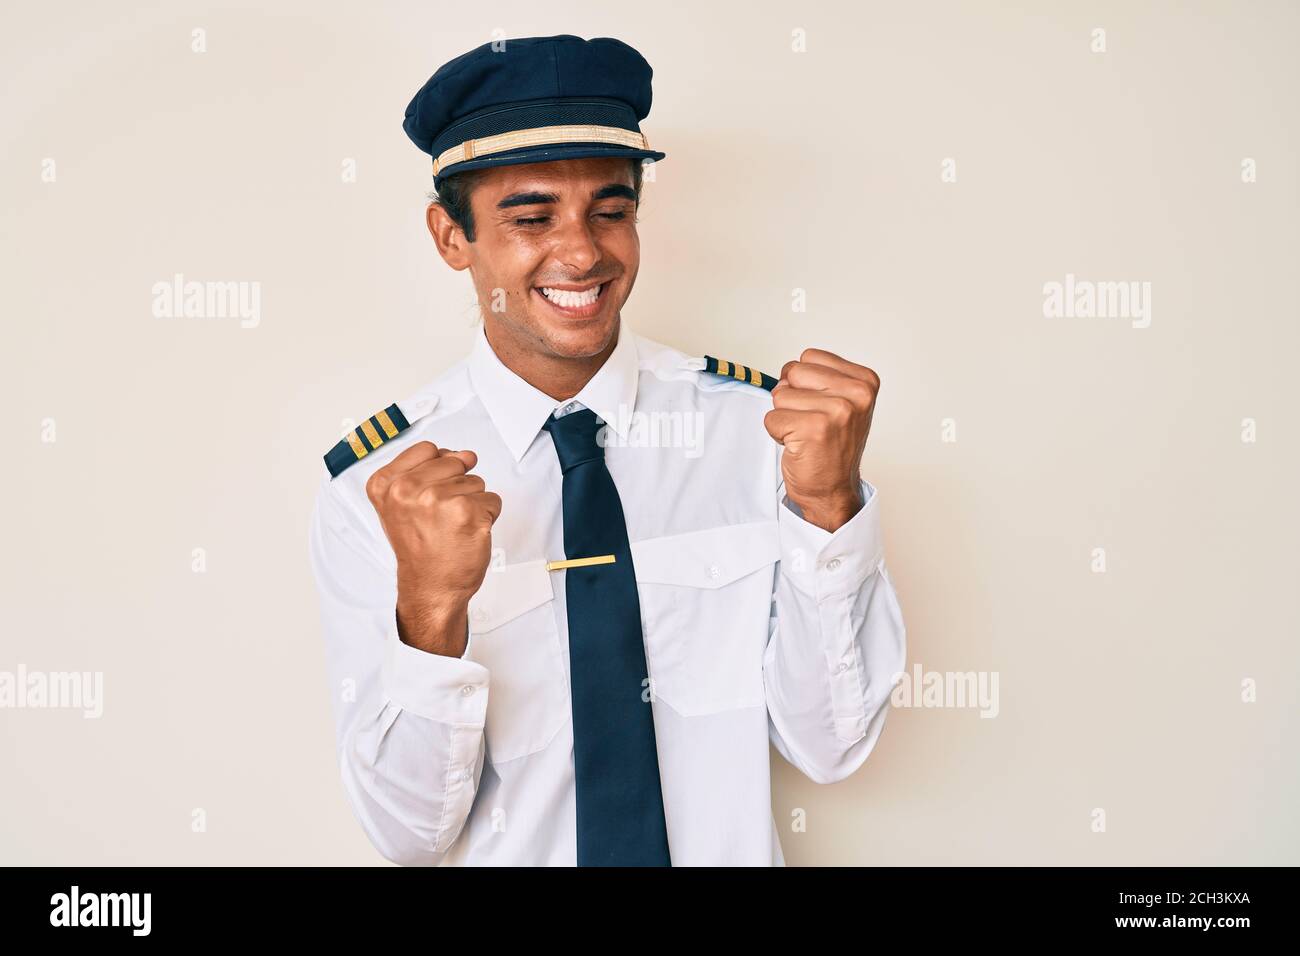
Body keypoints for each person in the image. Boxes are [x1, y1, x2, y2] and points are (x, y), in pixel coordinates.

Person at [308, 34, 906, 866]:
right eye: (530, 216)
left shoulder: (756, 431)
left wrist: (828, 508)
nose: (584, 253)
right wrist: (432, 611)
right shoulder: (376, 488)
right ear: (451, 237)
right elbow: (410, 836)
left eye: (611, 210)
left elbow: (831, 745)